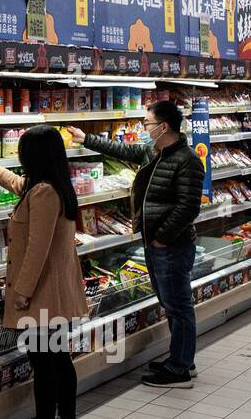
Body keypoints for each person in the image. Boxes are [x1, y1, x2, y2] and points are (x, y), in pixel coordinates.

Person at [0, 125, 90, 419]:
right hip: (56, 291)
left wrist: (22, 291)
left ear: (34, 156)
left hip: (42, 294)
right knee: (59, 359)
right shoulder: (50, 187)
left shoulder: (45, 193)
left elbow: (37, 247)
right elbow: (17, 184)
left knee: (45, 363)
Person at [66, 99, 202, 389]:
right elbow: (123, 150)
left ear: (164, 127)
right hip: (157, 242)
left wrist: (161, 237)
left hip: (172, 245)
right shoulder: (155, 153)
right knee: (170, 302)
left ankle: (180, 368)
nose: (144, 128)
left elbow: (188, 207)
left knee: (179, 305)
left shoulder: (187, 160)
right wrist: (86, 139)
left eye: (147, 123)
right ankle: (180, 360)